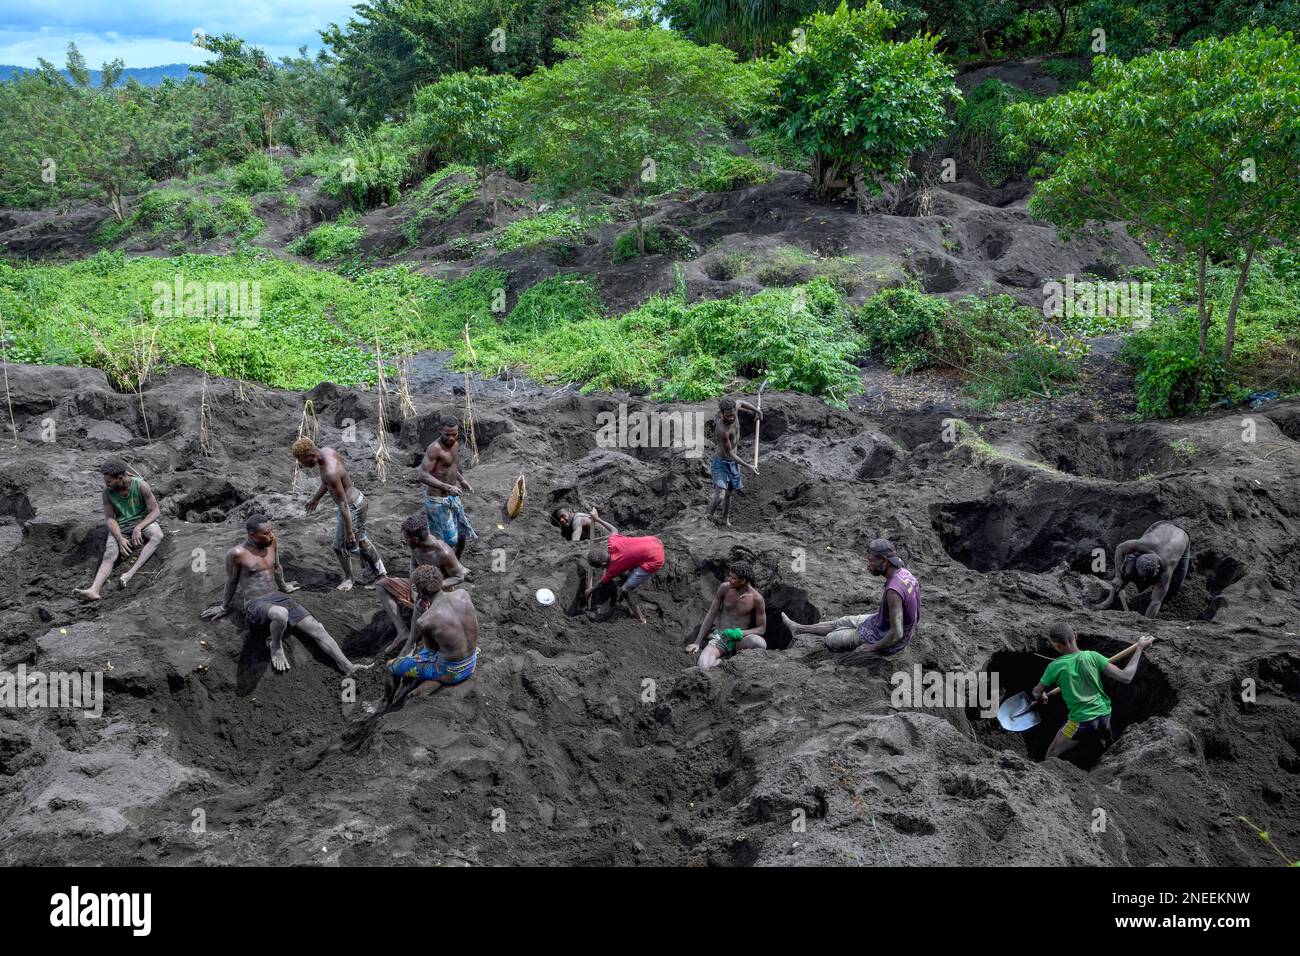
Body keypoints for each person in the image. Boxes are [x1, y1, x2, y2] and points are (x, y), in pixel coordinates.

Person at [200, 513, 368, 676]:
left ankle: (347, 666)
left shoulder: (272, 542)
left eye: (271, 530)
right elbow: (231, 581)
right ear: (252, 535)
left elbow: (277, 567)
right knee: (281, 614)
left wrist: (284, 586)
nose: (271, 535)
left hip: (277, 596)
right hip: (255, 602)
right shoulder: (236, 554)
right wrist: (223, 607)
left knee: (318, 628)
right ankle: (275, 645)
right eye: (266, 533)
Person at [1032, 624, 1155, 760]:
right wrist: (1139, 648)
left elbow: (1037, 692)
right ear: (1076, 635)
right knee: (1104, 732)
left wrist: (1041, 696)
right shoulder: (1093, 656)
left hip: (1082, 721)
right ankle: (1108, 744)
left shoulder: (1055, 667)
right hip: (1105, 713)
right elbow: (1126, 677)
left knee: (1051, 754)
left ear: (1057, 646)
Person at [782, 538, 921, 655]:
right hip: (881, 622)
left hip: (883, 636)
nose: (868, 566)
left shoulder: (893, 591)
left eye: (871, 561)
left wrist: (872, 647)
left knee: (831, 639)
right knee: (842, 621)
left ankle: (850, 637)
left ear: (884, 561)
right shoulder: (904, 573)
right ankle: (799, 628)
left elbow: (897, 633)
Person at [375, 564, 479, 712]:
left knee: (391, 667)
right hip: (471, 661)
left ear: (419, 592)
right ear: (440, 581)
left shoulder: (426, 621)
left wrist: (422, 613)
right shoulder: (463, 594)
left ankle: (385, 703)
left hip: (452, 672)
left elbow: (431, 650)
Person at [292, 437, 387, 591]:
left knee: (340, 546)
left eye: (303, 461)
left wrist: (349, 532)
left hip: (352, 508)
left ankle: (350, 578)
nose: (303, 465)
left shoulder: (330, 471)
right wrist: (315, 498)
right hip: (359, 501)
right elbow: (329, 483)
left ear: (311, 455)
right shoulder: (328, 451)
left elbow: (343, 503)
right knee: (361, 540)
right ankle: (381, 575)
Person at [375, 514, 471, 655]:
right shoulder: (416, 546)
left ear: (415, 539)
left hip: (438, 592)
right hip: (419, 586)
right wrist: (414, 585)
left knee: (421, 610)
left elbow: (459, 576)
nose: (404, 541)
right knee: (381, 585)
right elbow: (414, 563)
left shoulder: (443, 552)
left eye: (406, 538)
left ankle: (411, 643)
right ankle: (402, 632)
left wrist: (431, 587)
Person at [74, 458, 164, 602]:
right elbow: (110, 518)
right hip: (121, 525)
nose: (106, 484)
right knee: (110, 553)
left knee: (157, 535)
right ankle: (94, 590)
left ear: (120, 478)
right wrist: (120, 538)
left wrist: (138, 527)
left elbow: (155, 511)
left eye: (109, 481)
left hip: (141, 520)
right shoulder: (107, 493)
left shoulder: (141, 485)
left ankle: (130, 573)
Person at [1095, 521, 1191, 620]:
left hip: (1183, 536)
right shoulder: (1142, 544)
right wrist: (1118, 577)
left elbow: (1156, 602)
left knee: (1175, 584)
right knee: (1128, 568)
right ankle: (1109, 601)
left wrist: (1146, 623)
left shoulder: (1167, 569)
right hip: (1161, 525)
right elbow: (1120, 549)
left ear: (1158, 569)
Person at [686, 561, 767, 669]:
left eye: (733, 578)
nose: (729, 580)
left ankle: (732, 659)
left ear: (743, 581)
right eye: (729, 576)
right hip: (721, 637)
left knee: (759, 643)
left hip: (740, 640)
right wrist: (697, 642)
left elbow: (761, 629)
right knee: (703, 665)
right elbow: (711, 615)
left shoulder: (757, 599)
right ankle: (723, 662)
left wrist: (738, 633)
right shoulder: (725, 588)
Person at [417, 416, 477, 558]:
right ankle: (441, 567)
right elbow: (422, 475)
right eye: (447, 434)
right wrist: (448, 487)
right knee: (446, 541)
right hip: (437, 501)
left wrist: (462, 480)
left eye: (454, 434)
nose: (451, 438)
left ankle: (456, 562)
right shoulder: (434, 449)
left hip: (453, 496)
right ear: (440, 431)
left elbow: (452, 466)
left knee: (462, 534)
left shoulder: (455, 445)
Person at [585, 528, 664, 625]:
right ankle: (630, 579)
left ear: (604, 564)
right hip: (653, 541)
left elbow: (602, 582)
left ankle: (640, 618)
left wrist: (590, 590)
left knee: (625, 590)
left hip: (656, 558)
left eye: (600, 568)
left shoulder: (613, 569)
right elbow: (613, 529)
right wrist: (597, 519)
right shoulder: (612, 542)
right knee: (627, 566)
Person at [706, 397, 761, 527]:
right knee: (720, 495)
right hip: (721, 462)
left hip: (733, 462)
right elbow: (729, 454)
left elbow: (741, 402)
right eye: (728, 416)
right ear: (721, 414)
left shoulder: (734, 409)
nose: (732, 418)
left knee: (729, 493)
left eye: (733, 415)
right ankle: (706, 518)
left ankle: (725, 519)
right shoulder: (722, 430)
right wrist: (749, 466)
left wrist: (757, 411)